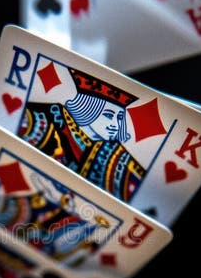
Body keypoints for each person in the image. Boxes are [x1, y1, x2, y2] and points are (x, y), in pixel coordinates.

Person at [18, 68, 145, 203]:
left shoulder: (116, 154)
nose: (116, 124)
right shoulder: (51, 118)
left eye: (119, 118)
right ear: (88, 108)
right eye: (108, 115)